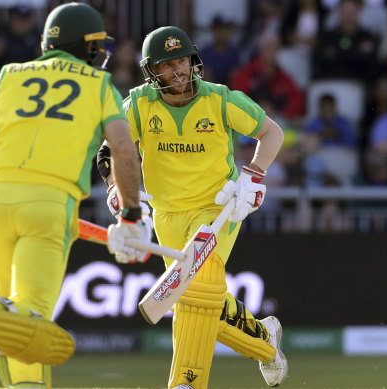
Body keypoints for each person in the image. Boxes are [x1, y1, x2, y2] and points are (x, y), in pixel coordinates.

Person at [0, 3, 149, 389]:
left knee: (8, 321)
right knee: (32, 319)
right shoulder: (98, 85)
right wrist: (130, 215)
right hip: (49, 204)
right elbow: (124, 150)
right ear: (85, 46)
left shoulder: (9, 75)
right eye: (96, 46)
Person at [97, 26, 287, 388]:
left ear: (193, 60)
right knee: (200, 298)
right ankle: (264, 341)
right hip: (167, 214)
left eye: (182, 60)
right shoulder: (138, 104)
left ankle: (186, 382)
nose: (179, 71)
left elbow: (271, 133)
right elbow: (108, 152)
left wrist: (253, 175)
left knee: (192, 294)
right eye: (168, 65)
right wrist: (116, 191)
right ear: (153, 71)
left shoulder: (221, 99)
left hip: (217, 209)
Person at [230, 31, 305, 122]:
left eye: (275, 49)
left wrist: (284, 113)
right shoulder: (246, 73)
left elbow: (297, 100)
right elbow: (238, 99)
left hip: (277, 120)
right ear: (260, 50)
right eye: (268, 48)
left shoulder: (283, 76)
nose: (272, 52)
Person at [0, 5, 42, 78]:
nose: (22, 24)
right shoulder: (2, 37)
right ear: (12, 20)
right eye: (18, 20)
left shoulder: (38, 37)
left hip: (32, 80)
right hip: (6, 80)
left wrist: (42, 54)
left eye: (25, 20)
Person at [198, 15, 242, 86]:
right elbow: (206, 80)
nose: (224, 33)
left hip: (229, 93)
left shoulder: (234, 52)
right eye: (221, 29)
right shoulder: (205, 53)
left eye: (227, 30)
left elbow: (235, 79)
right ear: (214, 31)